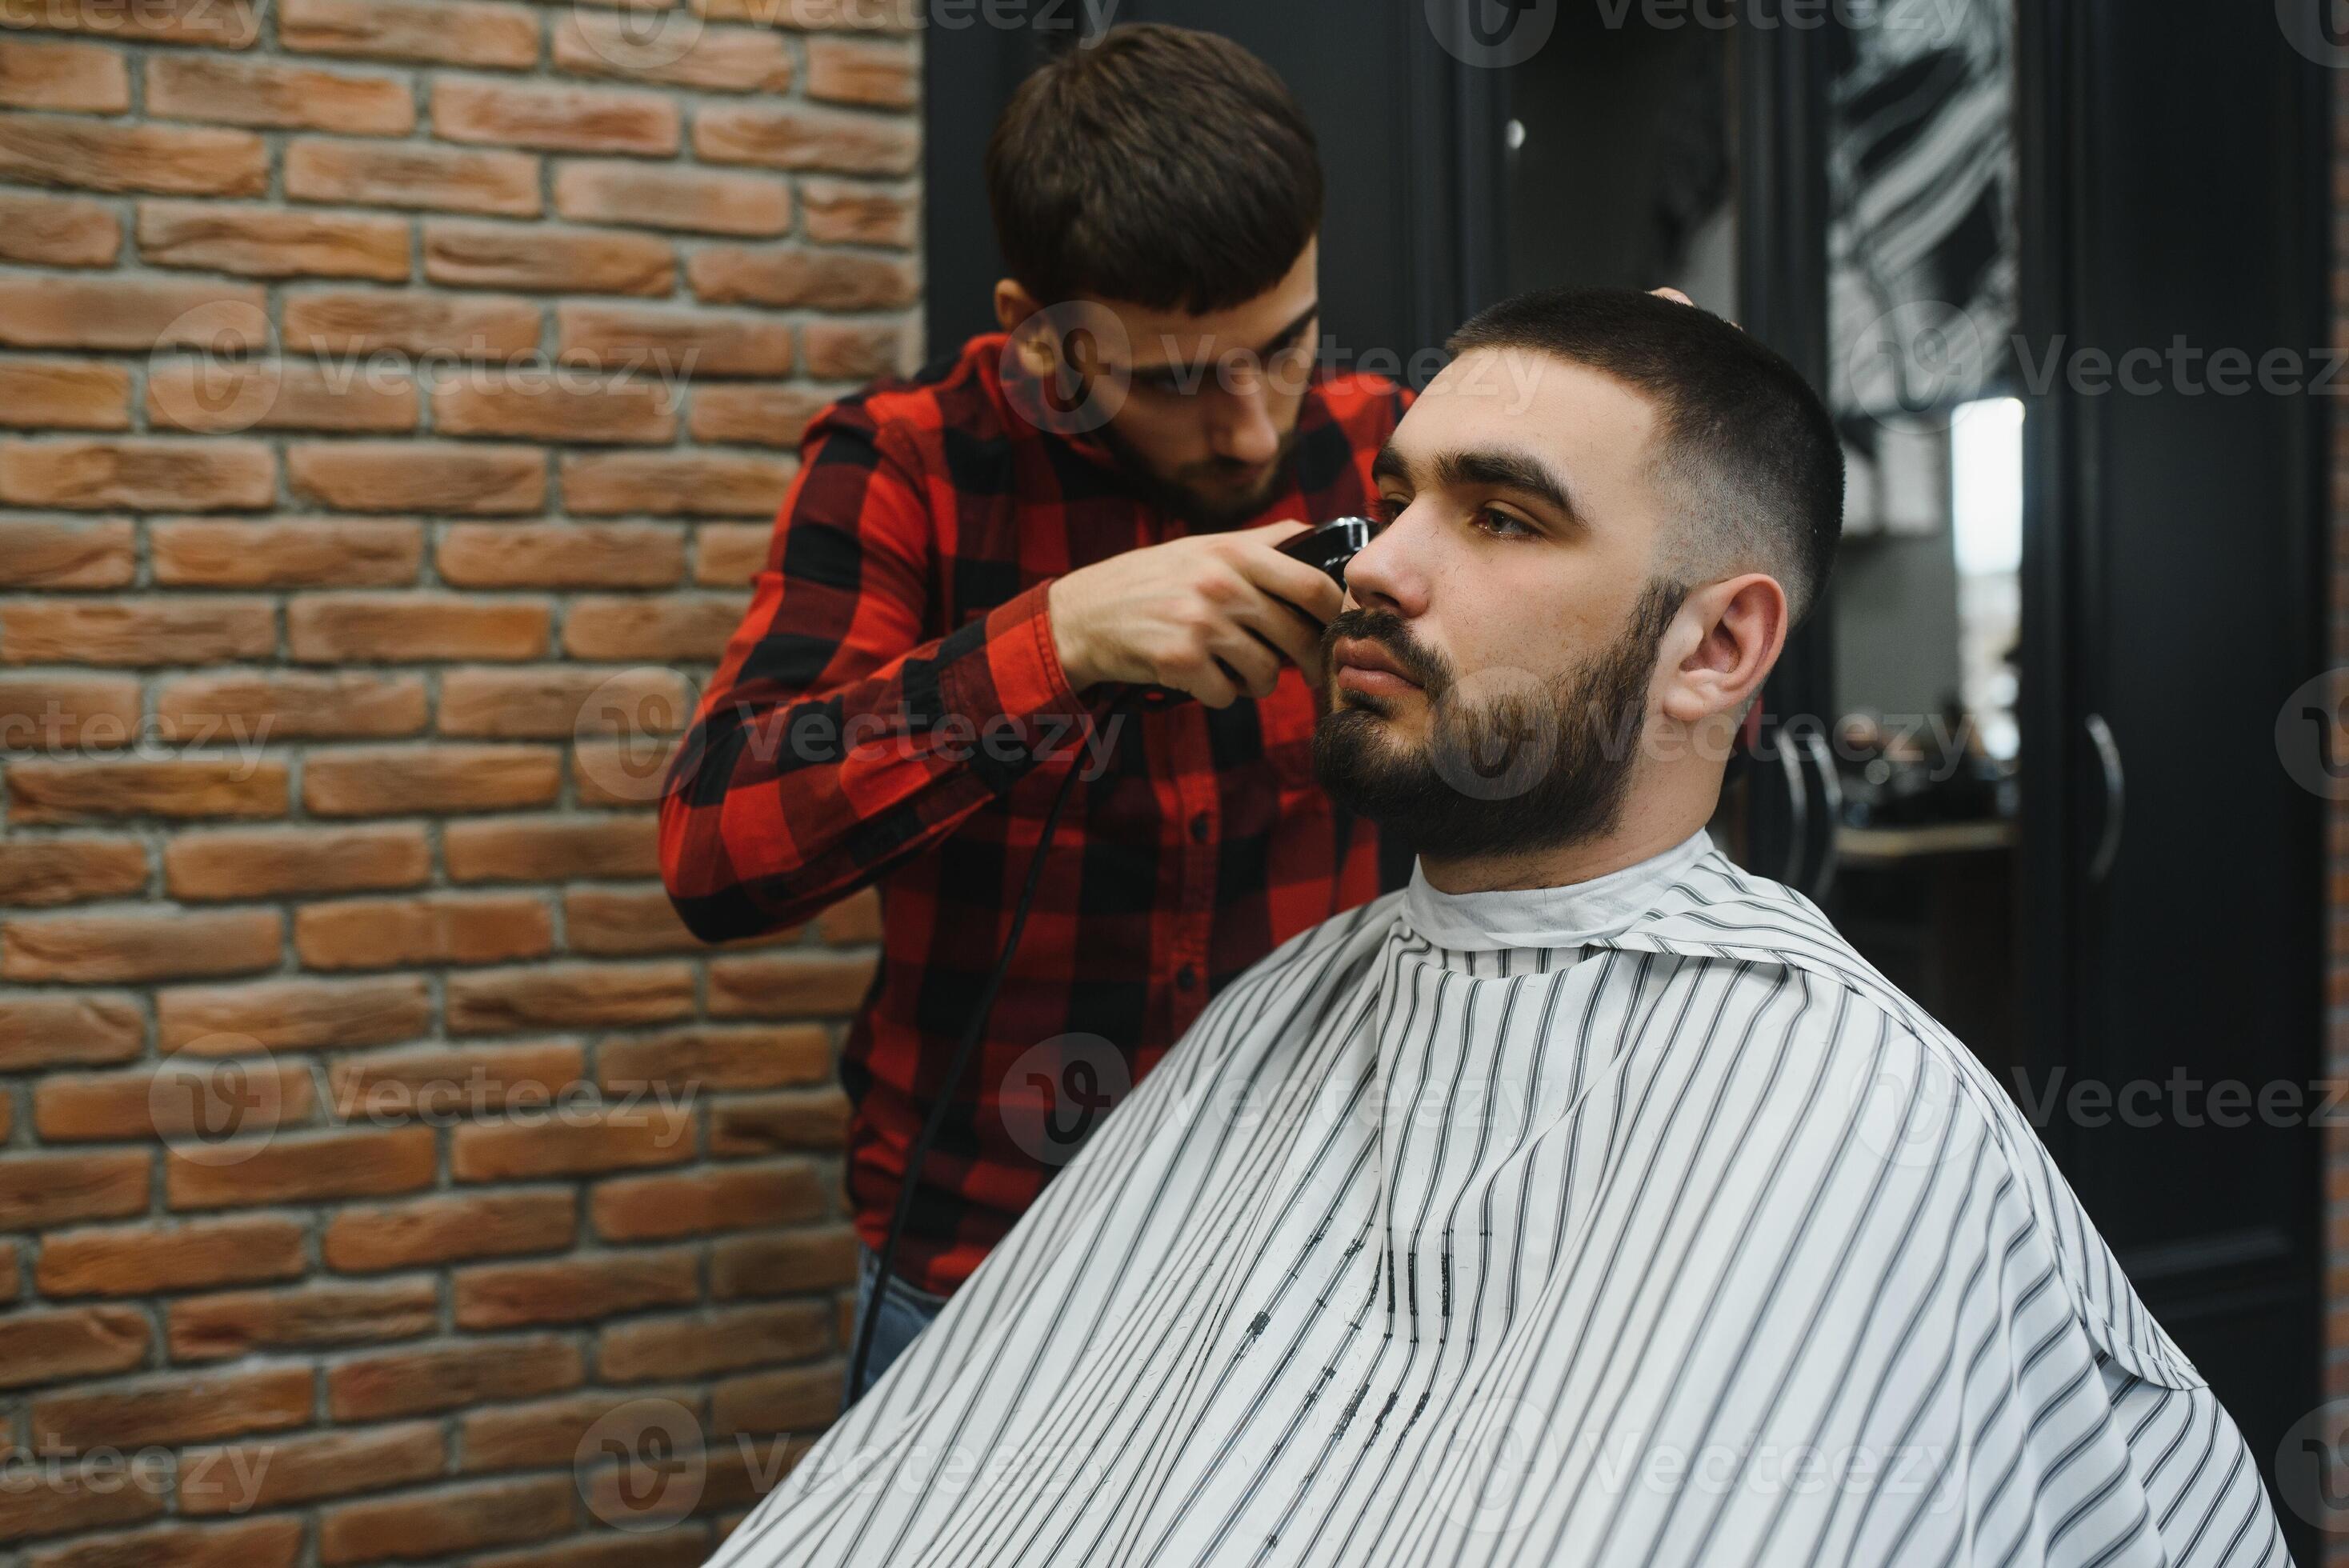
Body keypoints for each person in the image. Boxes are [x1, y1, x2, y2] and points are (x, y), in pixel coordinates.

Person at [697, 290, 2286, 1567]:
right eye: (1393, 499)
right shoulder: (1290, 1010)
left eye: (1506, 517)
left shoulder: (1840, 1110)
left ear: (1716, 648)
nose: (1372, 566)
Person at [658, 24, 1403, 1402]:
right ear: (1038, 330)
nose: (1251, 429)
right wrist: (1056, 641)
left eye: (1284, 345)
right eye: (1174, 380)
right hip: (980, 1271)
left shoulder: (1387, 450)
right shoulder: (907, 464)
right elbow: (717, 845)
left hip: (1307, 1249)